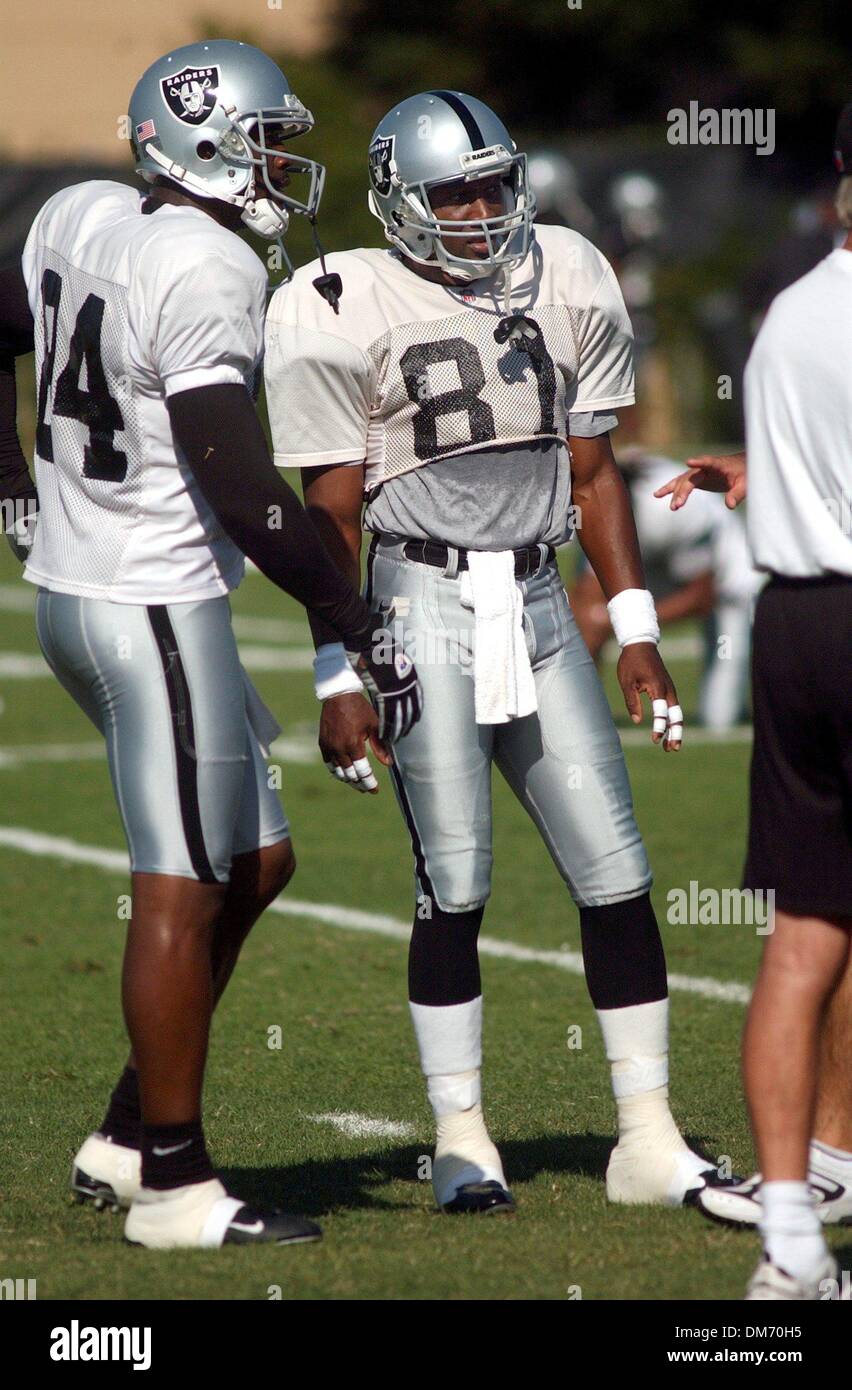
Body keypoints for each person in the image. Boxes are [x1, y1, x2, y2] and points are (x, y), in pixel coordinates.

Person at [263, 90, 727, 1216]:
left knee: (616, 869)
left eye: (491, 184)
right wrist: (338, 667)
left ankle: (647, 1136)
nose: (479, 211)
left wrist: (635, 630)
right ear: (398, 201)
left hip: (535, 591)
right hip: (417, 596)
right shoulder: (339, 298)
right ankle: (463, 1137)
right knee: (454, 879)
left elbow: (595, 472)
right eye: (451, 193)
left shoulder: (562, 269)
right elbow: (331, 511)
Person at [0, 39, 421, 1251]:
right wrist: (358, 619)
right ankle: (175, 1187)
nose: (286, 163)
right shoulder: (209, 264)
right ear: (211, 143)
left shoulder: (74, 209)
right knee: (178, 887)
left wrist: (13, 476)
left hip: (88, 597)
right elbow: (244, 491)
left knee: (256, 860)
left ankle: (132, 1130)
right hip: (150, 606)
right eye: (270, 140)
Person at [654, 102, 852, 1299]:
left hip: (794, 626)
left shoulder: (793, 309)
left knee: (805, 936)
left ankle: (793, 1238)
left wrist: (754, 476)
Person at [571, 449, 761, 730]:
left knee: (719, 718)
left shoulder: (669, 511)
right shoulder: (588, 511)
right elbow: (586, 604)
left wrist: (629, 627)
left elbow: (701, 597)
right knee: (587, 618)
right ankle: (580, 710)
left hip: (723, 582)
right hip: (648, 564)